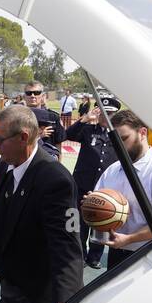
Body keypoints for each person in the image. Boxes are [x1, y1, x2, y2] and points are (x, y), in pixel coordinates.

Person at [0, 106, 84, 303]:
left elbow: (67, 242)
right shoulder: (6, 167)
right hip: (11, 280)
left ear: (23, 137)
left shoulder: (55, 179)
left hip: (39, 289)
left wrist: (66, 295)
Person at [86, 109, 152, 272]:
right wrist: (91, 206)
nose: (118, 146)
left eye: (124, 139)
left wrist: (129, 239)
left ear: (142, 132)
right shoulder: (112, 170)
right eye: (114, 141)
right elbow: (98, 205)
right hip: (117, 253)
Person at [65, 95, 119, 268]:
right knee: (79, 223)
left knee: (102, 222)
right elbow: (68, 134)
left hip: (105, 187)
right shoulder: (89, 130)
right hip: (83, 183)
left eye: (109, 114)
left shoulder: (119, 136)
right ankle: (79, 255)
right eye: (102, 113)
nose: (105, 117)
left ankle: (95, 256)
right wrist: (84, 119)